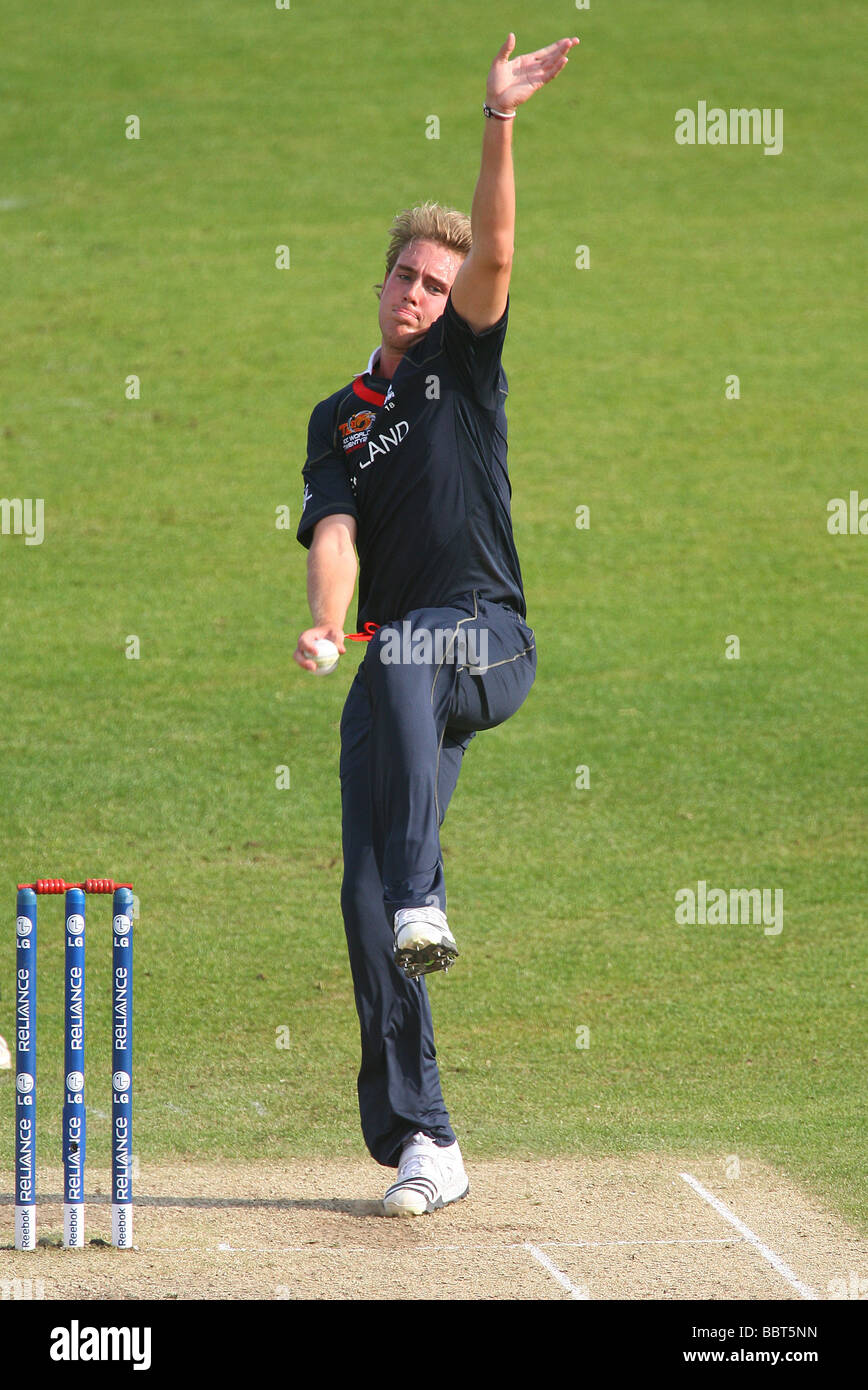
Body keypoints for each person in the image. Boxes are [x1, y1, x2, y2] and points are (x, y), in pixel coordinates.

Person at [294, 33, 579, 1216]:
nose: (421, 292)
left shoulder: (460, 366)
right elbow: (336, 531)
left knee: (408, 656)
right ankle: (428, 1137)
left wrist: (498, 120)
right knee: (363, 905)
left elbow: (499, 245)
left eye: (436, 280)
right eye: (407, 275)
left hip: (484, 638)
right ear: (379, 282)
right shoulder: (340, 415)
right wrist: (323, 625)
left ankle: (428, 897)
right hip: (396, 665)